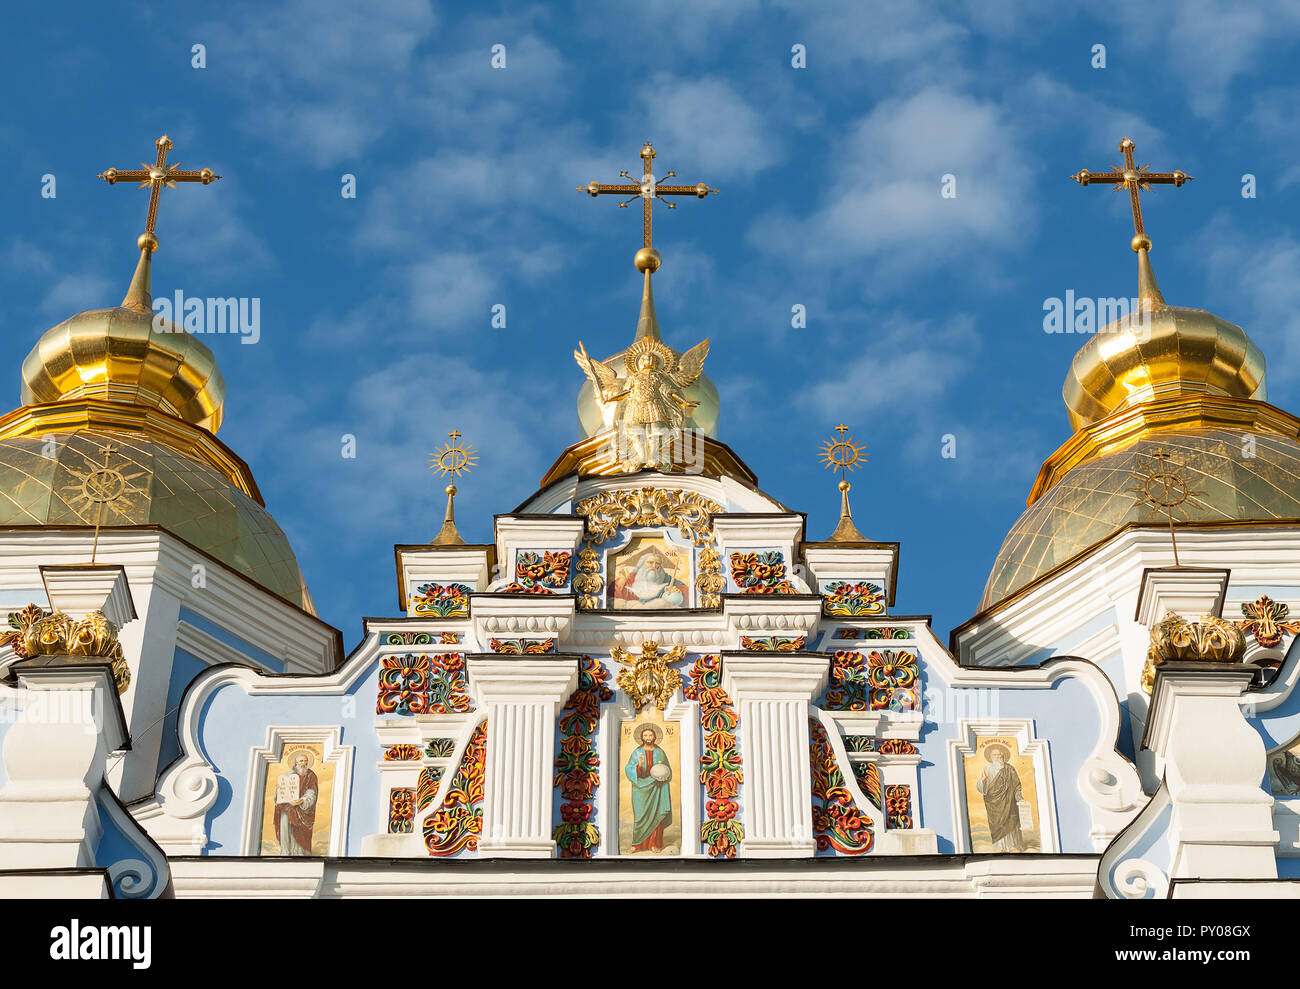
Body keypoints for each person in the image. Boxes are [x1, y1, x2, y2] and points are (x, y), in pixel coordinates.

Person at [624, 724, 672, 851]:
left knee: (656, 814)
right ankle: (636, 845)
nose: (648, 737)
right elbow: (629, 770)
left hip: (657, 788)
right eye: (645, 735)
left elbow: (667, 769)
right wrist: (639, 765)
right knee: (640, 817)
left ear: (655, 736)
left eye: (650, 735)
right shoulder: (637, 752)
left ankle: (654, 844)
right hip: (640, 789)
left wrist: (664, 777)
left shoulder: (660, 752)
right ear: (641, 737)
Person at [976, 743, 1025, 852]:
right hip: (993, 804)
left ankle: (1012, 846)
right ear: (991, 757)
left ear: (1003, 756)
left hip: (1009, 802)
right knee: (997, 824)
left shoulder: (1009, 768)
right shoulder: (987, 768)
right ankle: (999, 847)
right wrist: (983, 780)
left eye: (999, 755)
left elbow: (1017, 785)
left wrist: (1019, 797)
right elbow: (980, 787)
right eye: (995, 755)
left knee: (1011, 822)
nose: (997, 757)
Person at [274, 751, 319, 856]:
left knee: (299, 832)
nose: (303, 763)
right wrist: (280, 794)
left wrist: (303, 800)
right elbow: (279, 792)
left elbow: (312, 791)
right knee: (286, 830)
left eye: (306, 761)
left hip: (302, 809)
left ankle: (299, 853)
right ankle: (286, 852)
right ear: (296, 763)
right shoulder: (287, 775)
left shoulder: (310, 775)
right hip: (287, 808)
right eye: (301, 761)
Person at [615, 549, 686, 607]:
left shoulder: (666, 578)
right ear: (643, 564)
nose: (654, 566)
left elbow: (684, 588)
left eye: (657, 563)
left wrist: (677, 589)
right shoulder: (631, 577)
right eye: (650, 562)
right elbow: (614, 595)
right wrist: (622, 581)